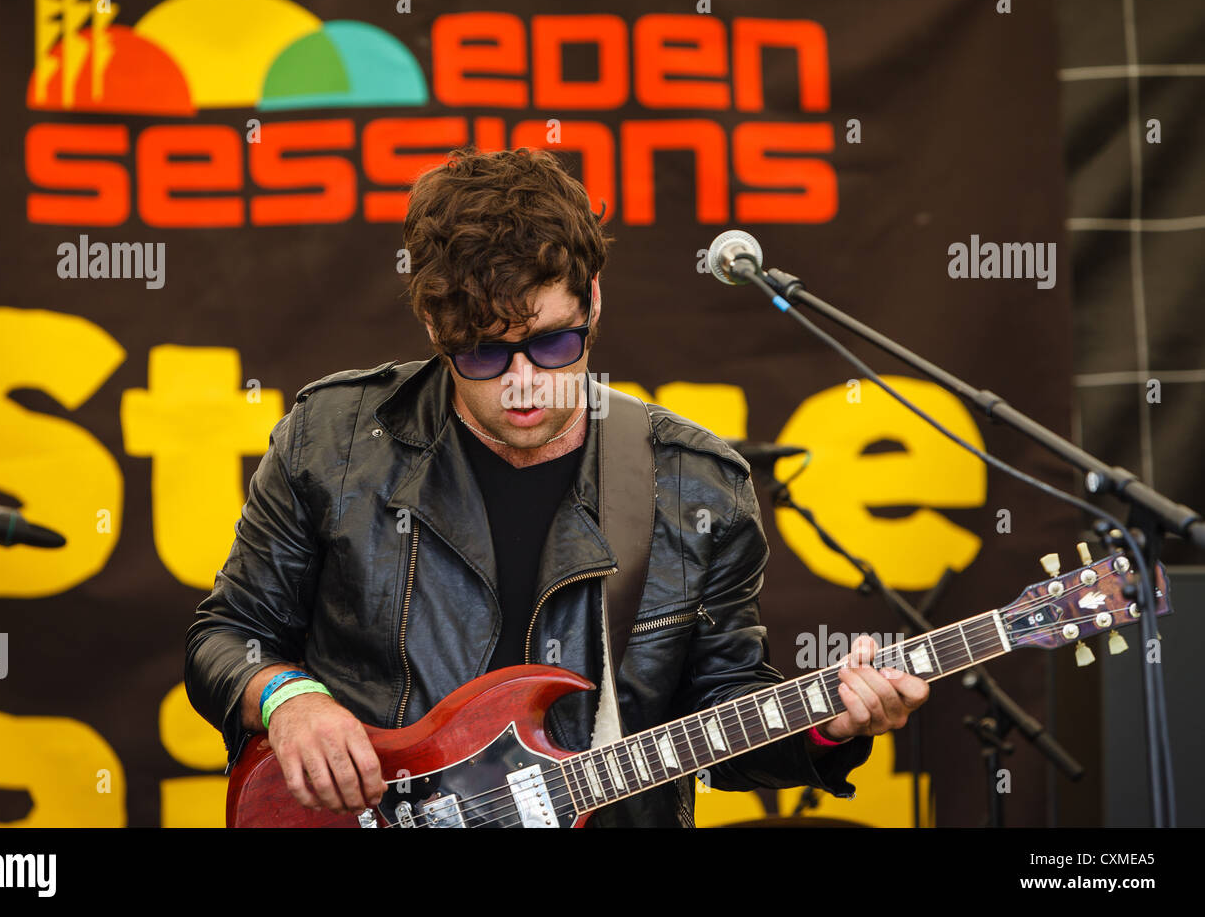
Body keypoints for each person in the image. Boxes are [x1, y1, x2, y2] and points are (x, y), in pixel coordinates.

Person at [185, 145, 929, 827]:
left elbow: (724, 717)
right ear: (434, 330)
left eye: (552, 343)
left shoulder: (692, 485)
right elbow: (225, 637)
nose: (522, 385)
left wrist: (830, 726)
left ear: (594, 301)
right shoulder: (336, 440)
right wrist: (288, 700)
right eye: (483, 355)